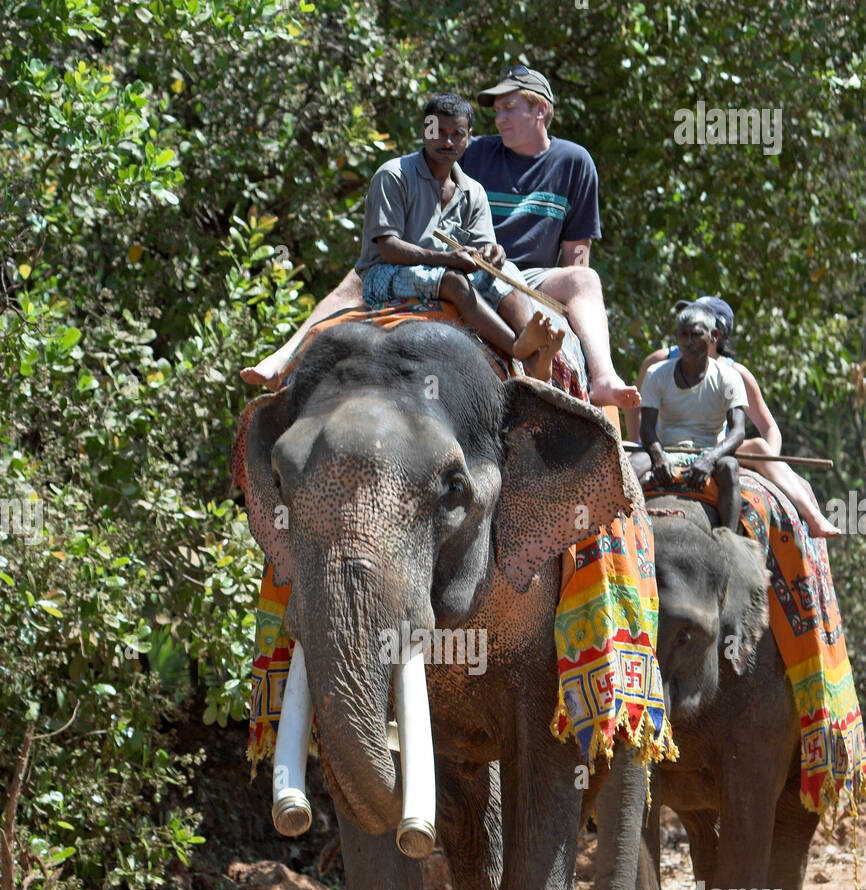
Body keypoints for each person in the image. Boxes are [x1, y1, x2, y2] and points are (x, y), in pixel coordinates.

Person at [241, 67, 638, 408]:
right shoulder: (471, 151)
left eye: (509, 107)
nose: (499, 119)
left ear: (540, 109)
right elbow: (419, 188)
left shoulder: (574, 161)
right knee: (362, 273)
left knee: (584, 279)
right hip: (451, 261)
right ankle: (285, 354)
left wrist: (561, 318)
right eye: (495, 110)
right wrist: (454, 257)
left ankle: (601, 375)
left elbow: (577, 254)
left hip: (524, 274)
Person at [355, 93, 563, 380]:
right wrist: (447, 259)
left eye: (457, 134)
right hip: (386, 273)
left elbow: (483, 247)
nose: (447, 141)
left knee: (508, 270)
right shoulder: (393, 175)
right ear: (424, 130)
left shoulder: (473, 191)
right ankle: (519, 350)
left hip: (444, 267)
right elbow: (389, 249)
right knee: (452, 281)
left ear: (469, 137)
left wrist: (493, 253)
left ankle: (536, 351)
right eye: (438, 132)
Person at [625, 295, 839, 538]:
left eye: (697, 328)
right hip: (665, 442)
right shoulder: (659, 364)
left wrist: (767, 466)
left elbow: (767, 427)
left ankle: (812, 517)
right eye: (684, 330)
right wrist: (642, 445)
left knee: (758, 446)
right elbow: (635, 405)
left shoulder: (733, 374)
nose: (689, 338)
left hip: (718, 447)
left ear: (715, 334)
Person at [630, 302, 747, 531]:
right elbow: (647, 429)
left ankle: (729, 540)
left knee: (730, 467)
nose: (688, 342)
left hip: (709, 453)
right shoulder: (656, 374)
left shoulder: (729, 377)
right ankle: (622, 534)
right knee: (630, 466)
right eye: (683, 335)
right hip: (667, 450)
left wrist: (709, 459)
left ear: (713, 336)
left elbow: (738, 431)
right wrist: (658, 456)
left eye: (695, 334)